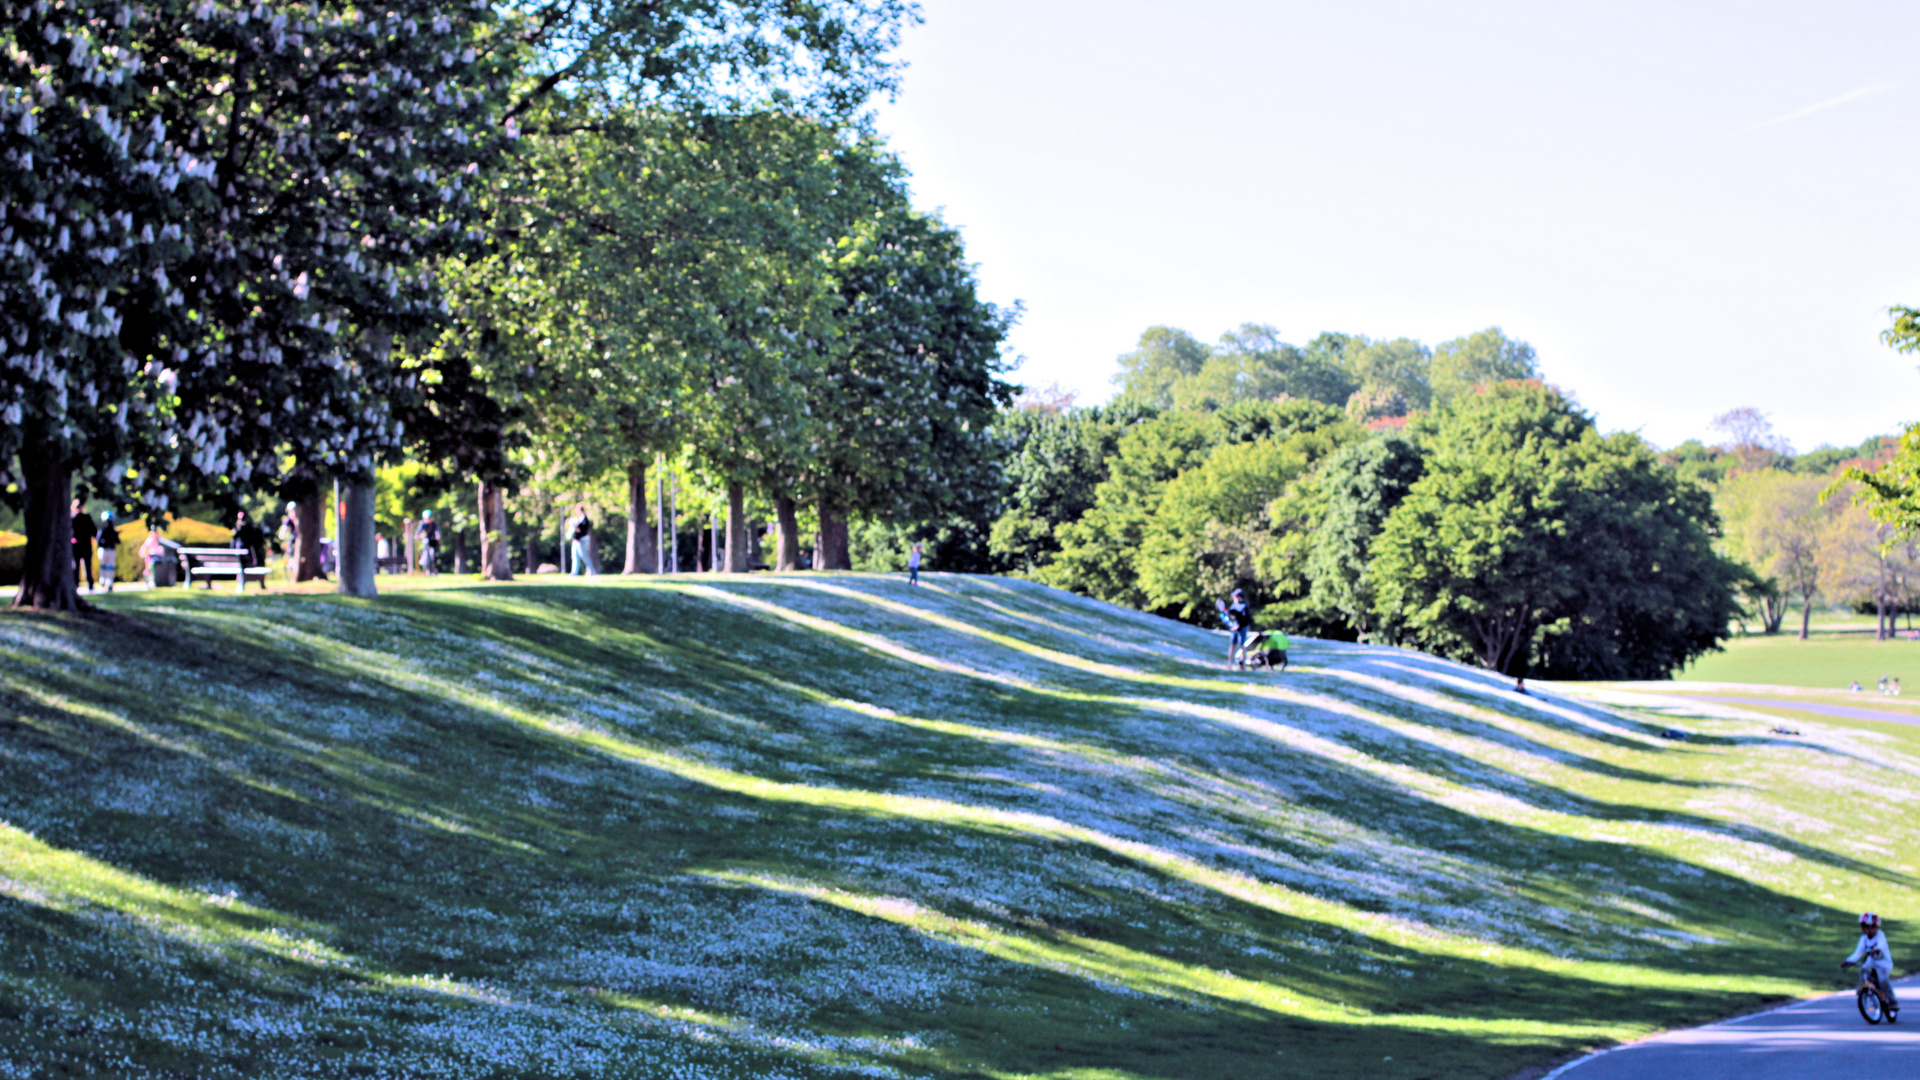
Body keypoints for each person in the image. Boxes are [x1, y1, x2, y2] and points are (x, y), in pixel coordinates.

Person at [1842, 911, 1899, 1012]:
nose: (1868, 930)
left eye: (1871, 927)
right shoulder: (1863, 939)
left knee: (1883, 980)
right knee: (1863, 969)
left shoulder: (1880, 935)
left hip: (1883, 964)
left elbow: (1881, 944)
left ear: (1876, 927)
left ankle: (1892, 1001)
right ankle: (1863, 988)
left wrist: (1877, 949)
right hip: (1871, 963)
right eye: (1865, 927)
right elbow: (1858, 952)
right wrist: (1849, 961)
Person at [1217, 588, 1252, 669]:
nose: (1234, 598)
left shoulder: (1245, 606)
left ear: (1240, 597)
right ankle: (1229, 666)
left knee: (1242, 646)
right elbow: (1231, 613)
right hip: (1235, 628)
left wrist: (1238, 627)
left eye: (1235, 597)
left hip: (1242, 628)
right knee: (1232, 645)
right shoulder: (1234, 604)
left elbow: (1246, 620)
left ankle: (1244, 667)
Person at [70, 499, 97, 591]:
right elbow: (94, 531)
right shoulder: (86, 518)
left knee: (76, 566)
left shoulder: (72, 518)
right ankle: (90, 584)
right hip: (85, 544)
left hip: (77, 545)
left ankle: (76, 584)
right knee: (87, 565)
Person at [96, 513, 120, 593]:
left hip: (109, 550)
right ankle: (105, 581)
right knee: (105, 566)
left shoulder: (107, 531)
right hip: (106, 550)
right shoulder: (106, 531)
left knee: (108, 567)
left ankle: (107, 582)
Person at [569, 503, 593, 576]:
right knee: (574, 557)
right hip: (576, 540)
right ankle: (574, 573)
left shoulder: (585, 520)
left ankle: (591, 571)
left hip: (582, 540)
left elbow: (583, 530)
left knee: (584, 556)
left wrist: (577, 528)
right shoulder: (577, 519)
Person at [416, 509, 440, 576]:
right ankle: (427, 570)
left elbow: (437, 530)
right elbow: (419, 530)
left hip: (433, 541)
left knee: (433, 556)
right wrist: (417, 535)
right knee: (426, 555)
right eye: (427, 518)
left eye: (429, 518)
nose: (428, 520)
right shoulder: (422, 523)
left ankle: (434, 570)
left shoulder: (433, 524)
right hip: (426, 541)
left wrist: (437, 535)